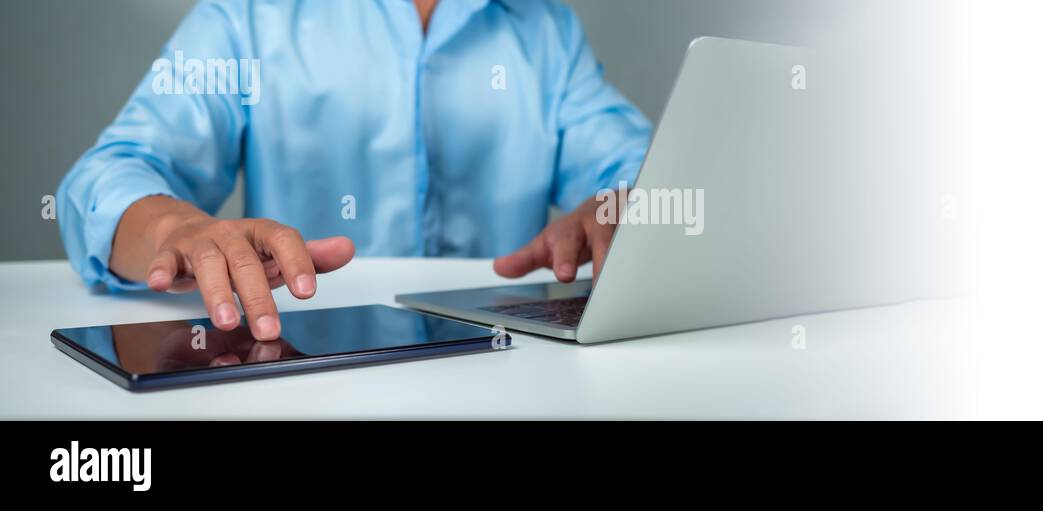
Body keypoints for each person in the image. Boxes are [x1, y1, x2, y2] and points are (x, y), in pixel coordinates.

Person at [57, 0, 651, 341]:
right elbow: (112, 174)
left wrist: (628, 203)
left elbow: (640, 167)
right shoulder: (249, 15)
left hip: (512, 375)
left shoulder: (545, 26)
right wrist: (171, 232)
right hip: (303, 376)